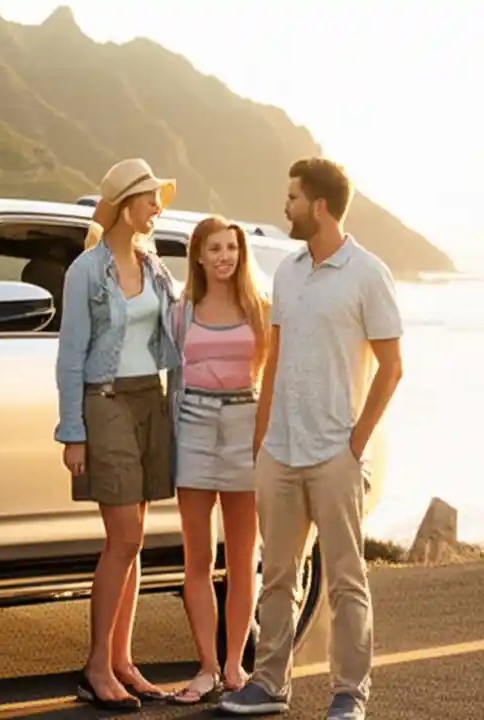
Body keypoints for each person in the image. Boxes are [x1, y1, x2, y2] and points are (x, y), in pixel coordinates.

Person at [218, 158, 404, 720]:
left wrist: (356, 444)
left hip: (334, 454)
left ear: (319, 206)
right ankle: (269, 685)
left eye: (293, 198)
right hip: (280, 451)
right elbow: (273, 359)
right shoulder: (289, 272)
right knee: (275, 575)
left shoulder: (369, 273)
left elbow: (391, 368)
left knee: (347, 581)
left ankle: (350, 694)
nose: (286, 207)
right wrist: (261, 438)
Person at [56, 158, 184, 711]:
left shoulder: (156, 267)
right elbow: (69, 357)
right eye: (151, 198)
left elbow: (183, 326)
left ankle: (122, 660)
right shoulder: (86, 270)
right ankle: (95, 666)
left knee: (135, 543)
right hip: (103, 400)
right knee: (124, 539)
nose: (158, 208)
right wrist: (72, 432)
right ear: (127, 204)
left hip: (148, 401)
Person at [165, 216, 272, 705]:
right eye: (216, 248)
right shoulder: (182, 310)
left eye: (232, 247)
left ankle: (235, 664)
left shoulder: (259, 309)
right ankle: (206, 666)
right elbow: (167, 374)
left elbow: (273, 378)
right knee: (198, 558)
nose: (225, 256)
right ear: (200, 256)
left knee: (243, 559)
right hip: (194, 424)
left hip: (245, 426)